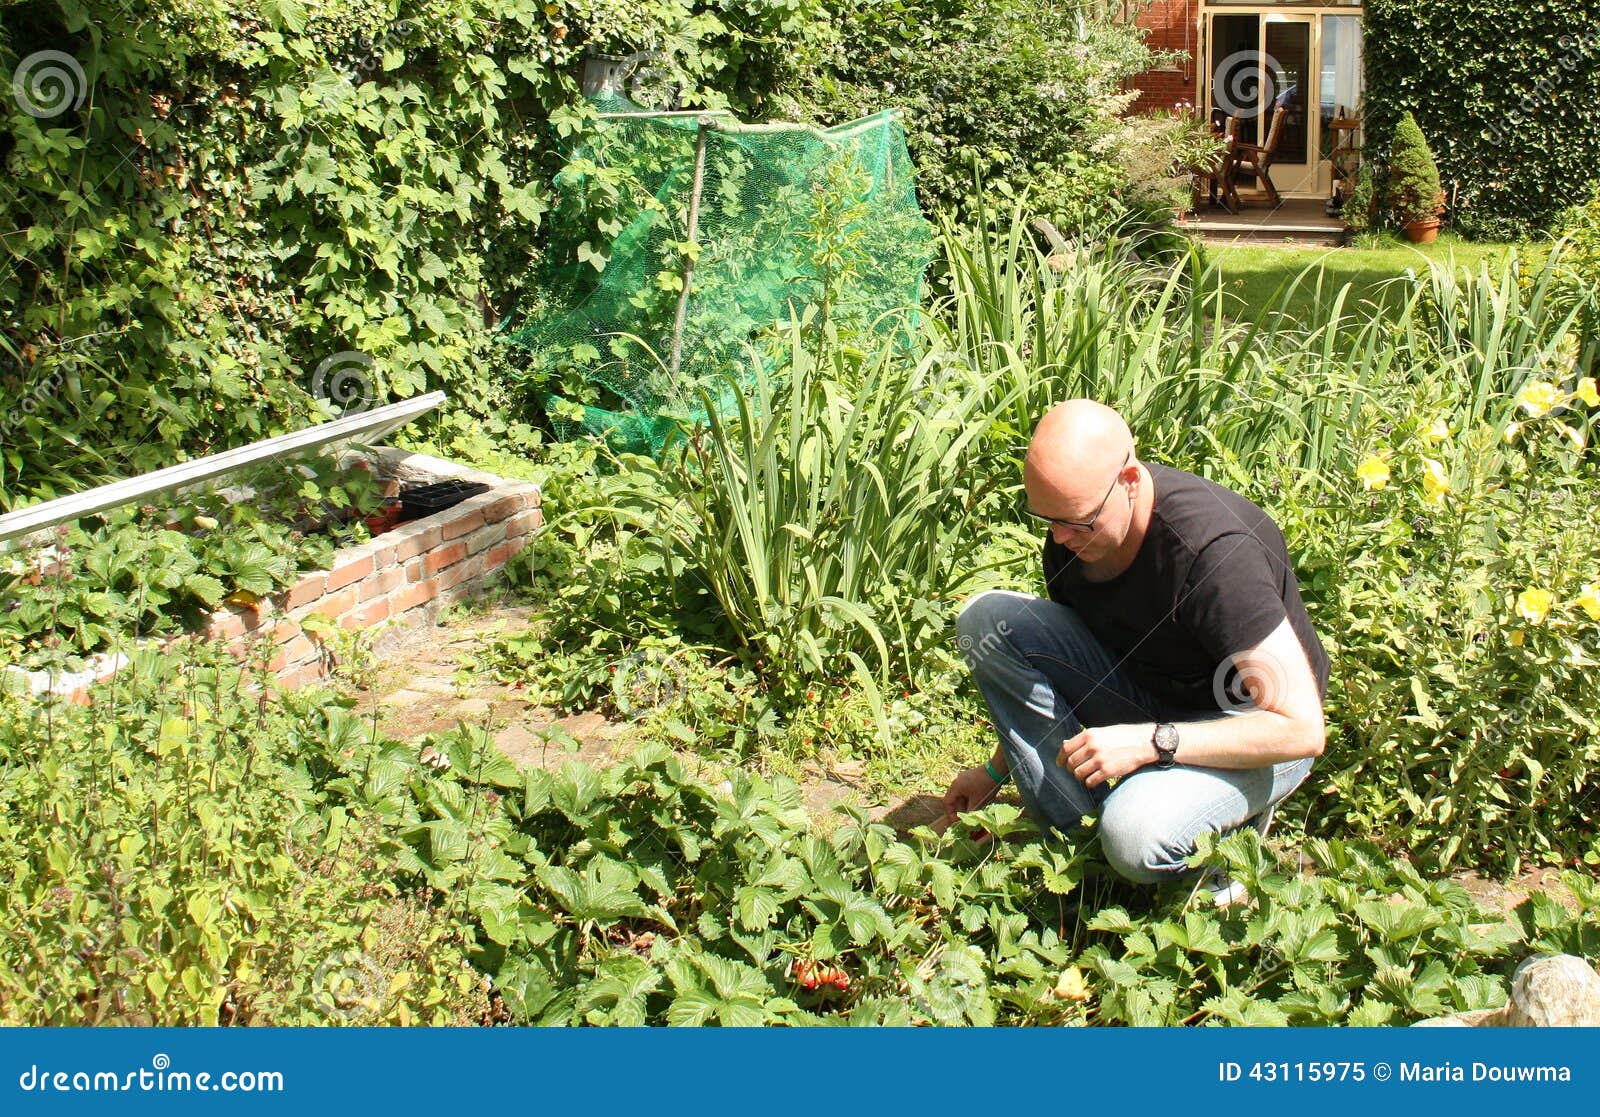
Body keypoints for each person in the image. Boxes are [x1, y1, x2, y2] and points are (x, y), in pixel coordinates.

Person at [940, 400, 1328, 903]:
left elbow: (1301, 728)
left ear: (1128, 477)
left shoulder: (1216, 558)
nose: (1059, 538)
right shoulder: (1075, 537)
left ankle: (1214, 847)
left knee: (1134, 834)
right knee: (986, 622)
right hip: (1151, 697)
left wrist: (1153, 743)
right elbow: (1059, 683)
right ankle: (1079, 848)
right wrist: (996, 771)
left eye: (1076, 522)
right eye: (1048, 519)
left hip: (1251, 731)